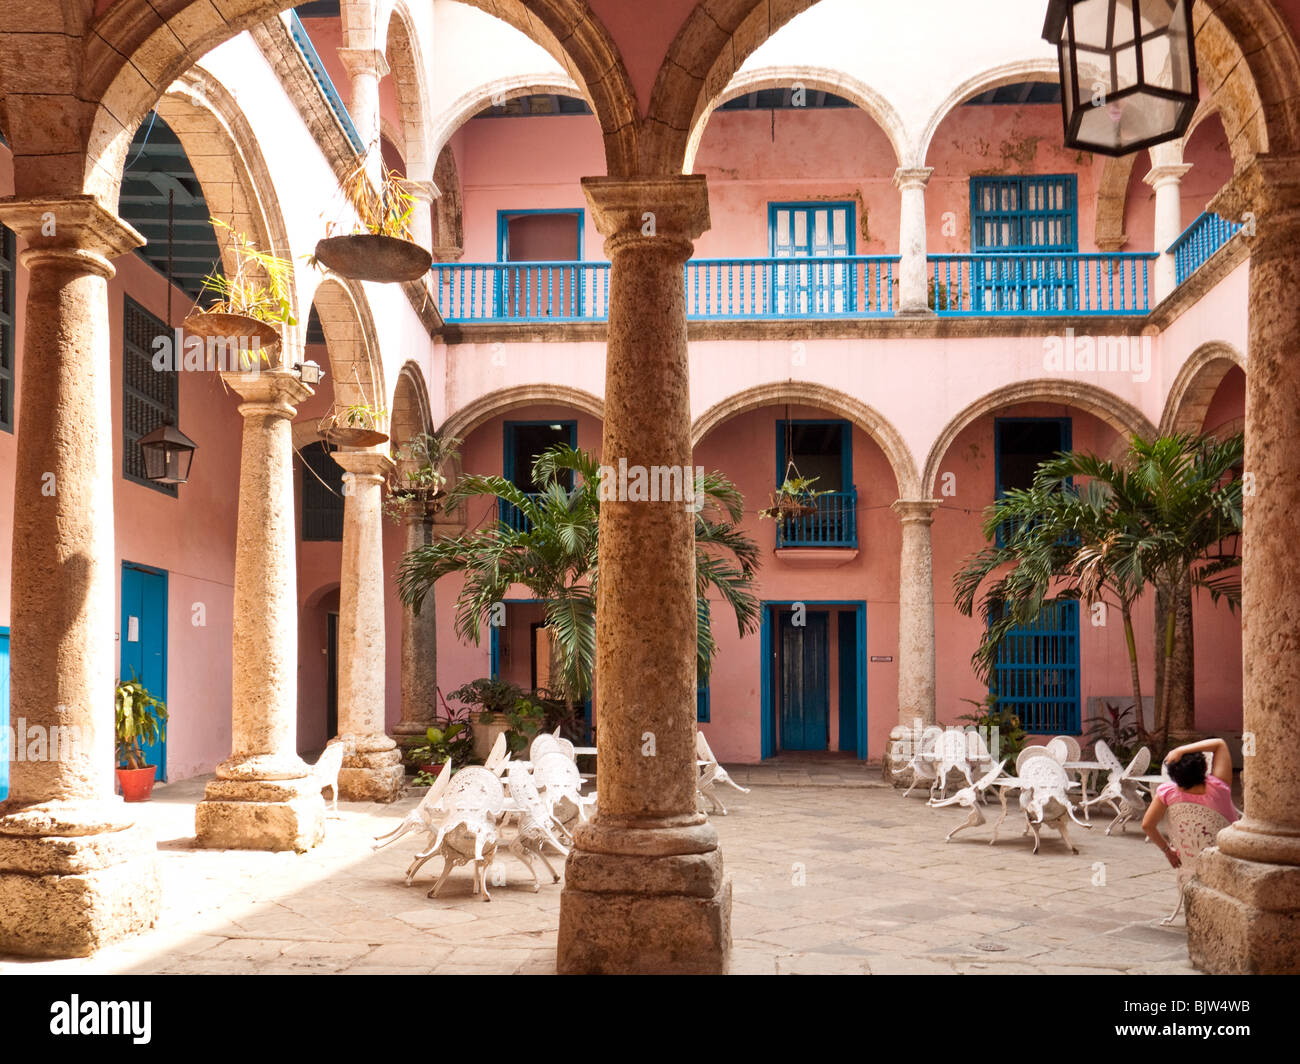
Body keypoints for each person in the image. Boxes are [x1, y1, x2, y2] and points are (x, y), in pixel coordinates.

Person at [1141, 737, 1239, 868]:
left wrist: (1168, 851)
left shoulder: (1167, 793)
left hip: (1190, 856)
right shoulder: (1219, 787)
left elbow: (1147, 825)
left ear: (1173, 774)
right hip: (1226, 852)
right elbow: (1219, 744)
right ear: (1204, 768)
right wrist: (1181, 750)